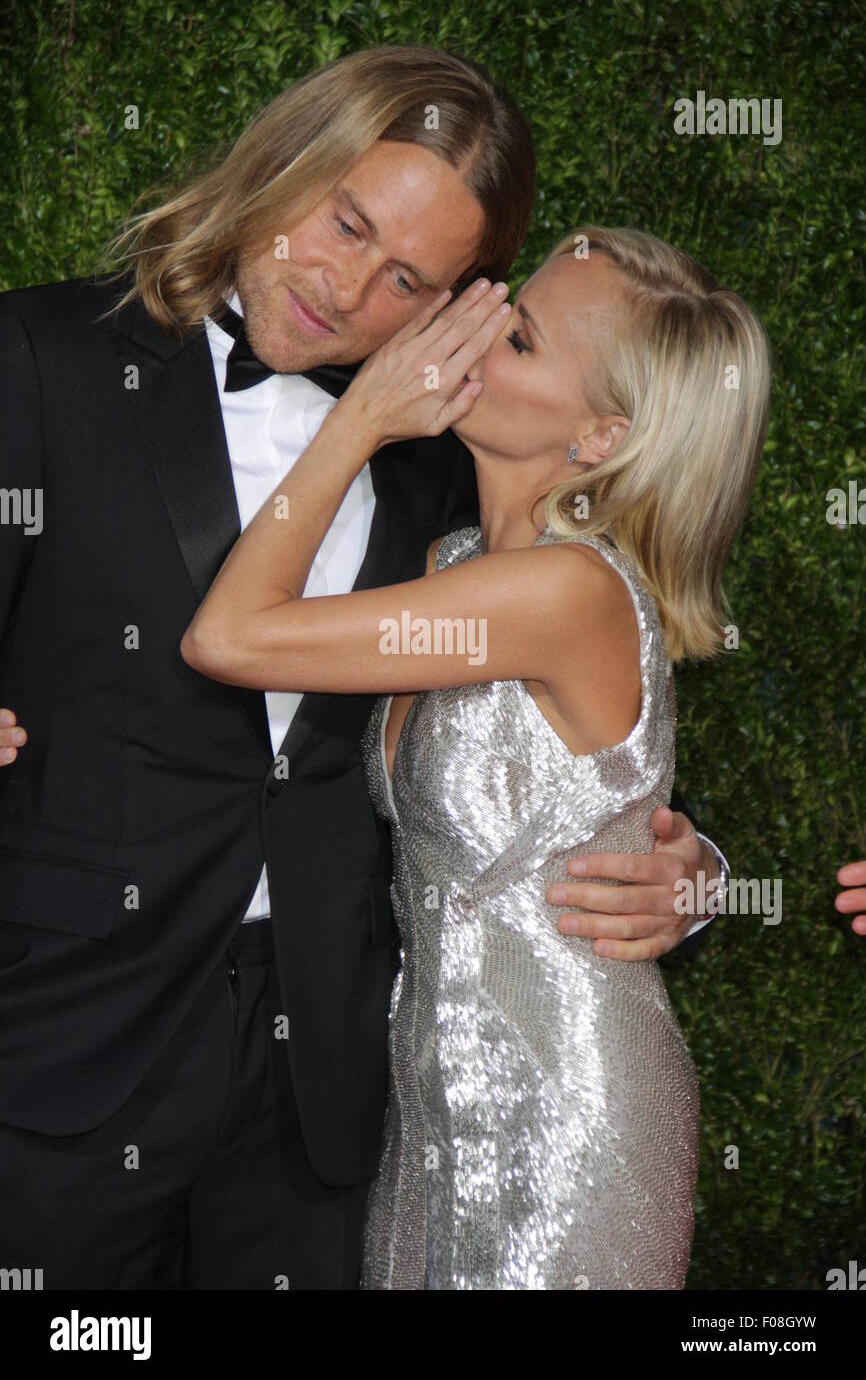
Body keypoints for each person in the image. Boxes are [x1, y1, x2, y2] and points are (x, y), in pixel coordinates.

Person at [0, 45, 724, 1289]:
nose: (344, 291)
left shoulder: (455, 457)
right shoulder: (39, 357)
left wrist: (688, 867)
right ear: (287, 159)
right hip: (67, 1045)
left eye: (408, 280)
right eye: (342, 224)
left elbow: (577, 737)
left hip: (335, 1098)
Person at [181, 225, 770, 1287]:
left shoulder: (561, 592)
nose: (473, 331)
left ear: (598, 436)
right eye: (504, 301)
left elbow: (228, 637)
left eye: (521, 338)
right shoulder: (453, 555)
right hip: (425, 1098)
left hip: (567, 1108)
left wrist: (356, 420)